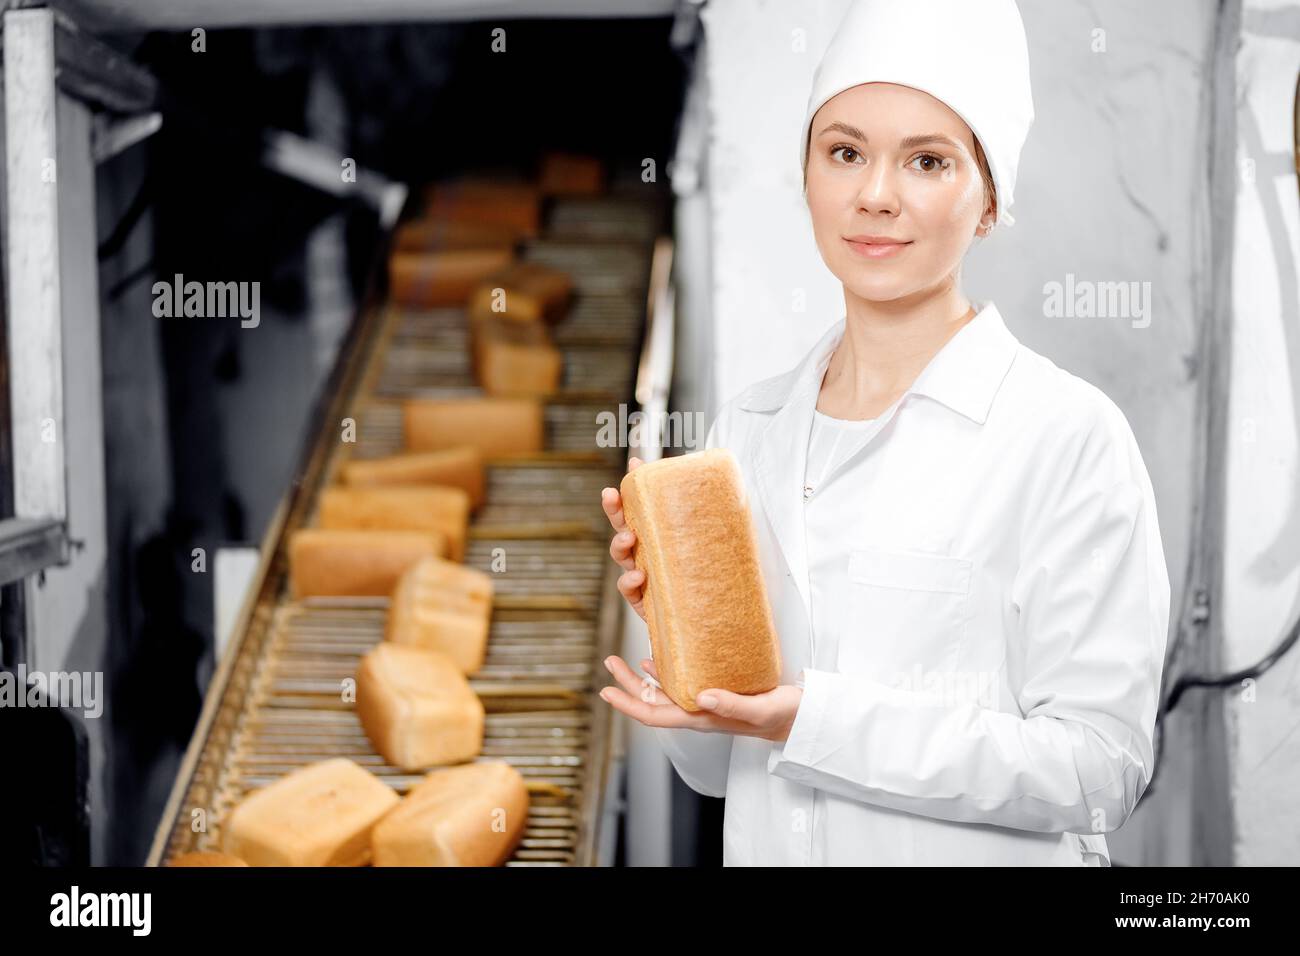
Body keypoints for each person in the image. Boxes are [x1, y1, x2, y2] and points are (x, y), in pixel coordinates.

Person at [598, 0, 1171, 865]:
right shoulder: (748, 432)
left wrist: (816, 719)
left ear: (988, 203)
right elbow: (721, 772)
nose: (873, 195)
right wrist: (677, 636)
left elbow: (1101, 768)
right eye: (845, 152)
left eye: (928, 161)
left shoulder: (1066, 438)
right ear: (808, 175)